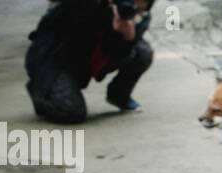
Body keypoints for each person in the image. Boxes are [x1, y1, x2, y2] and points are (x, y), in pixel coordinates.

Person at [25, 0, 155, 124]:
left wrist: (127, 38)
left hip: (87, 60)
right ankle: (40, 91)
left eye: (139, 10)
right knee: (72, 113)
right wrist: (105, 8)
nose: (130, 9)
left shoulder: (139, 17)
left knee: (142, 52)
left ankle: (118, 95)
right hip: (55, 57)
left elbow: (116, 55)